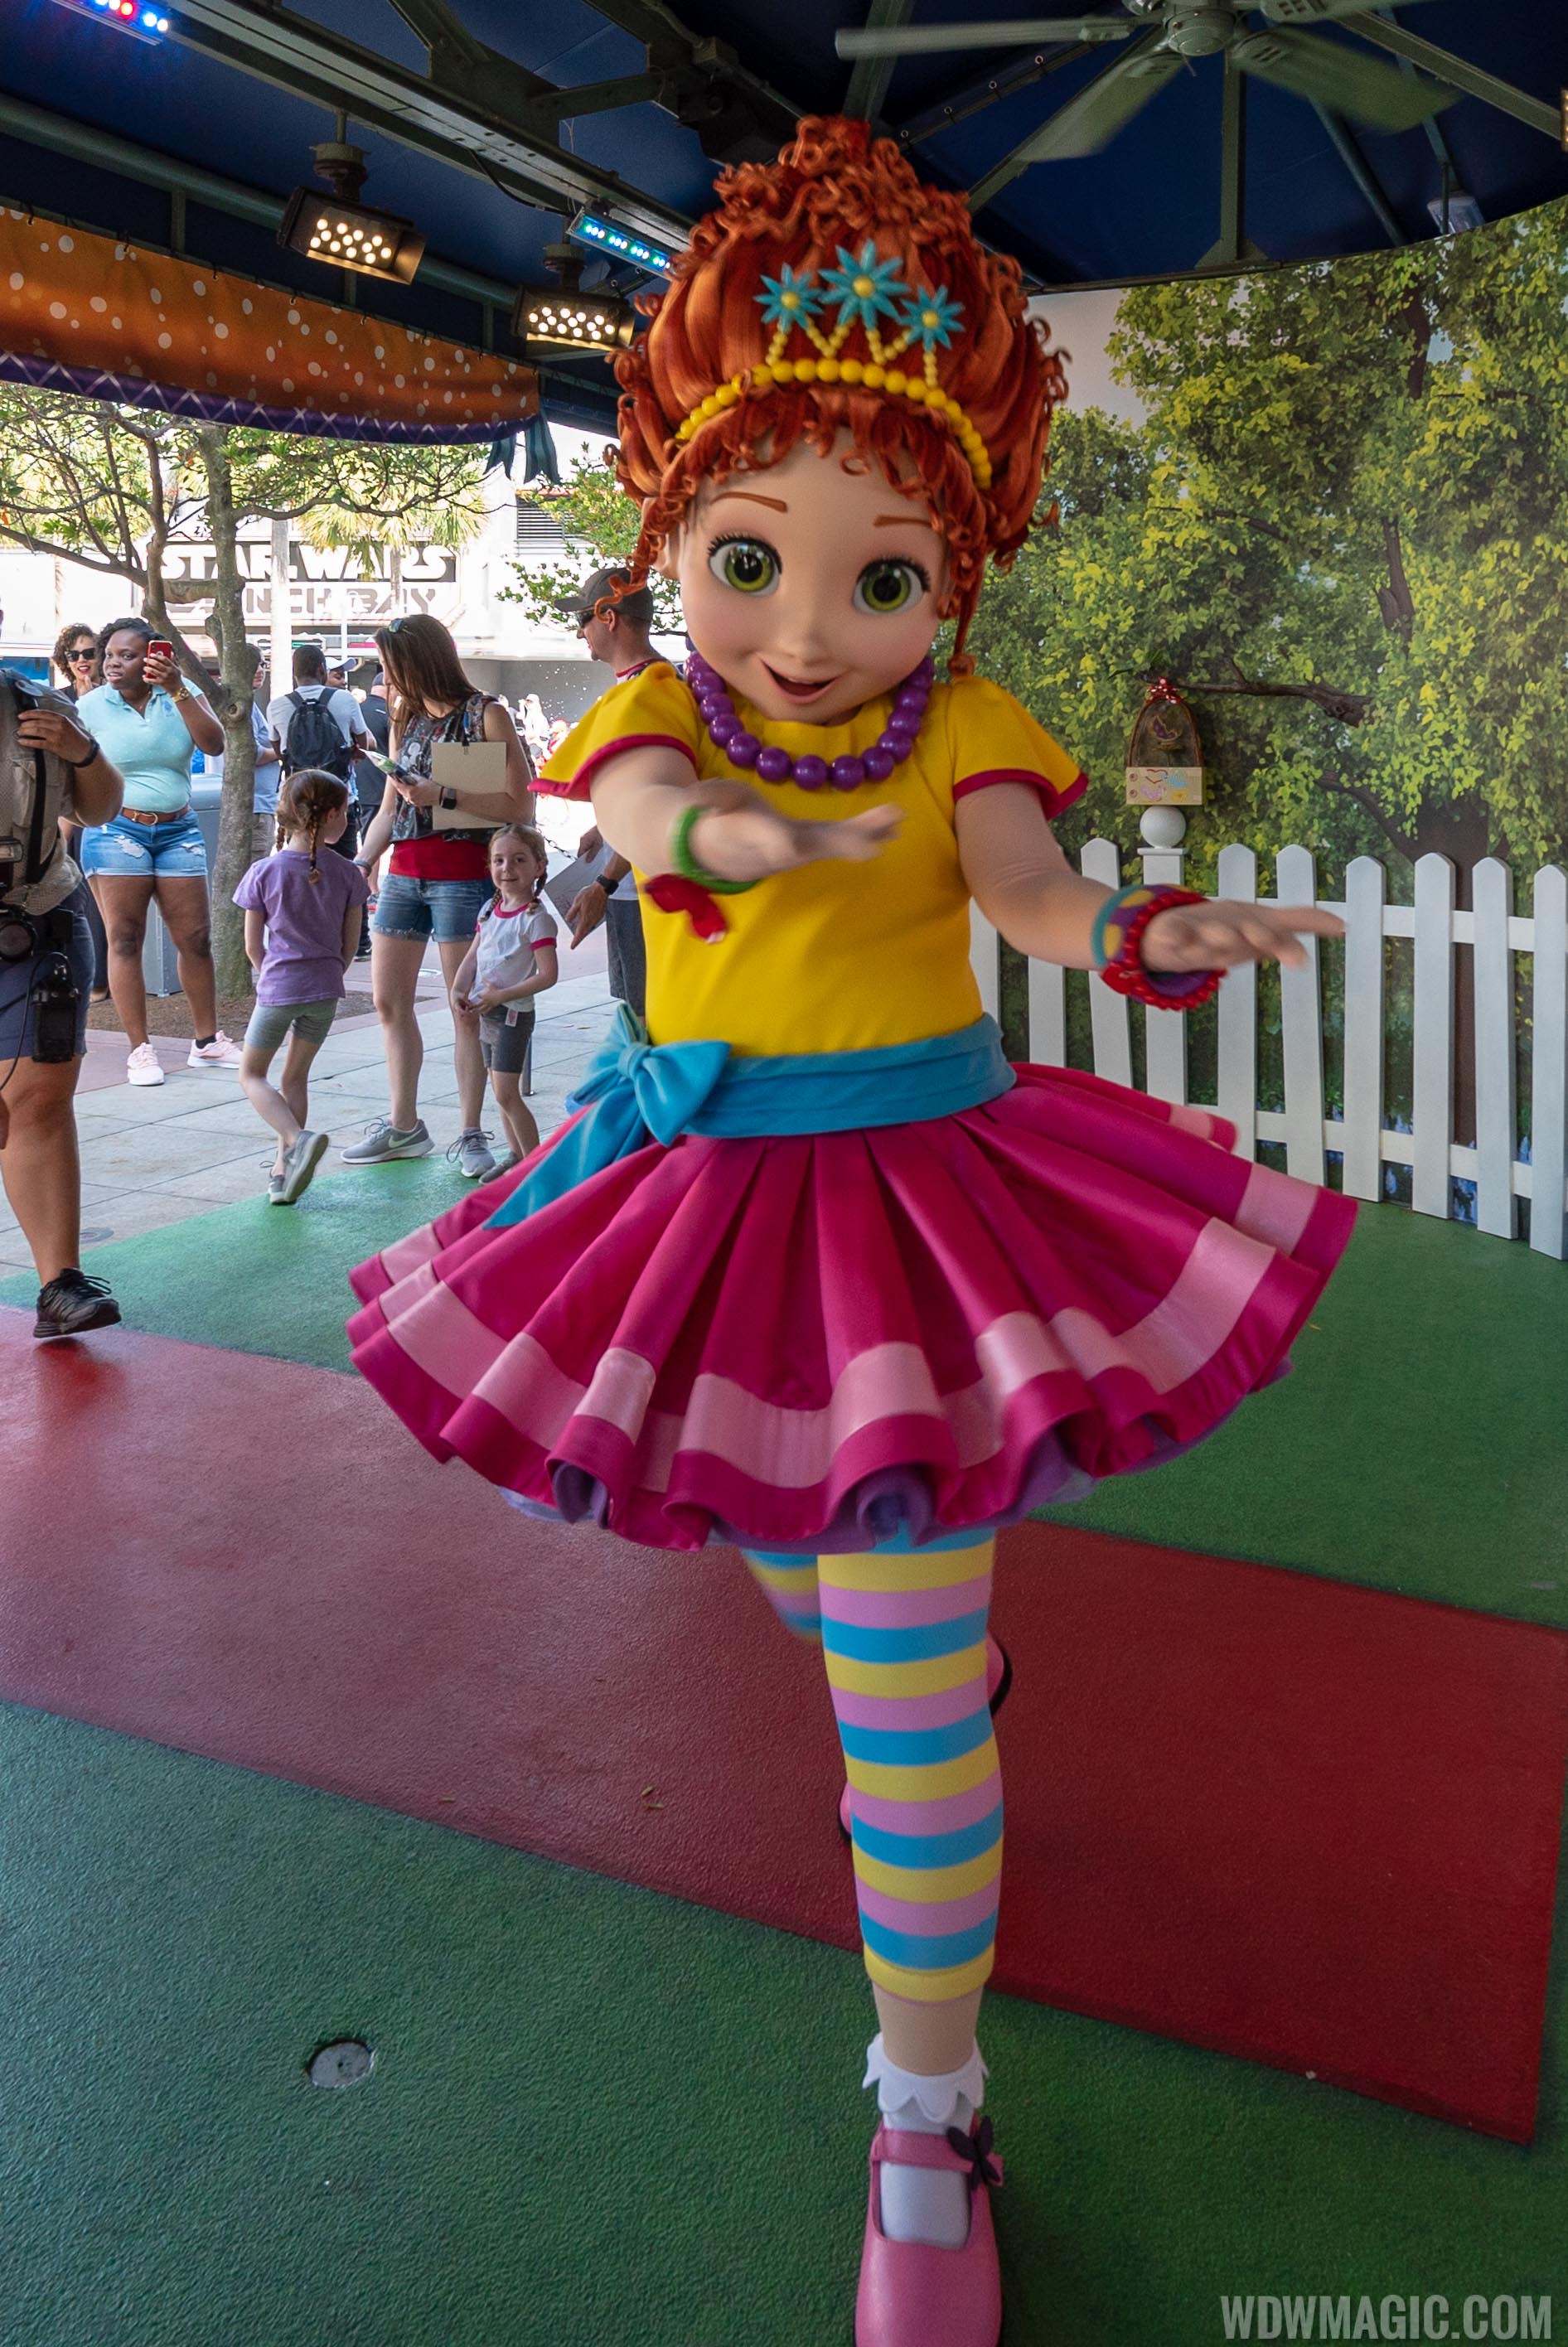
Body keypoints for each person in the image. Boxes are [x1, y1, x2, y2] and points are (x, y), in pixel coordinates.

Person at [346, 119, 1353, 2347]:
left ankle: (926, 2111)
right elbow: (643, 819)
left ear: (953, 585)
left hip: (918, 1209)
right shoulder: (637, 712)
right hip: (688, 1205)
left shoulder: (970, 724)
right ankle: (915, 1686)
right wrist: (719, 826)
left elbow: (1041, 910)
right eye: (747, 559)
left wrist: (1169, 929)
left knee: (891, 1689)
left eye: (880, 577)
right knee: (794, 1566)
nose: (809, 629)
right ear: (672, 541)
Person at [346, 612, 535, 1178]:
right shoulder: (405, 719)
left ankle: (471, 1132)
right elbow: (389, 807)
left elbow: (520, 806)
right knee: (388, 1002)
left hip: (464, 874)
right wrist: (362, 860)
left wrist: (443, 794)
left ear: (418, 660)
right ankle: (404, 1126)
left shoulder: (487, 714)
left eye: (390, 666)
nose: (384, 679)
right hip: (404, 872)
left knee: (465, 1010)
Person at [0, 665, 126, 1336]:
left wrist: (84, 752)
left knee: (37, 1100)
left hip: (34, 917)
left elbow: (101, 807)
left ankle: (60, 1283)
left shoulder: (38, 706)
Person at [75, 617, 242, 1086]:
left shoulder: (181, 690)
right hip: (116, 829)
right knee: (125, 937)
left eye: (127, 656)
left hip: (178, 829)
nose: (112, 664)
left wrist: (179, 691)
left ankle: (207, 1043)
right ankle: (140, 1050)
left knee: (195, 938)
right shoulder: (90, 707)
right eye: (109, 655)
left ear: (154, 658)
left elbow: (214, 742)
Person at [234, 767, 368, 1205]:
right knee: (296, 1077)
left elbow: (253, 946)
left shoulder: (264, 872)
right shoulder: (350, 874)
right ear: (330, 815)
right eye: (346, 812)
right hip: (325, 991)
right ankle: (283, 1172)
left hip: (279, 990)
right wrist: (331, 972)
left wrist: (270, 973)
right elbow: (351, 945)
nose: (347, 819)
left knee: (252, 1073)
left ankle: (295, 1138)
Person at [554, 567, 659, 1021]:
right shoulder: (642, 684)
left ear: (609, 617)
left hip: (644, 890)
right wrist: (603, 826)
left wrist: (604, 882)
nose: (581, 632)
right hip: (632, 885)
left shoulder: (650, 691)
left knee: (647, 1017)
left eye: (583, 619)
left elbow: (651, 802)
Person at [448, 824, 557, 1167]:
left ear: (538, 866)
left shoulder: (536, 919)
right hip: (488, 1011)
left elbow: (548, 975)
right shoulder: (489, 909)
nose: (506, 869)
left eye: (518, 860)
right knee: (499, 1089)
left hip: (512, 1014)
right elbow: (473, 955)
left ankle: (534, 1166)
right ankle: (514, 1155)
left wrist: (503, 995)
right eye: (499, 860)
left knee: (507, 1092)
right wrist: (458, 988)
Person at [267, 644, 371, 859]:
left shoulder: (276, 706)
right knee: (343, 867)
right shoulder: (345, 699)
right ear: (322, 669)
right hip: (340, 799)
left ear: (294, 673)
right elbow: (364, 743)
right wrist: (352, 755)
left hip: (299, 800)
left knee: (300, 865)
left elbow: (279, 752)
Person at [51, 623, 109, 1000]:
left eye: (89, 653)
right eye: (74, 655)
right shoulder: (57, 700)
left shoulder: (111, 697)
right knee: (68, 894)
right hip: (63, 807)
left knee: (99, 898)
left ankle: (101, 980)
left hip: (99, 806)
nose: (83, 661)